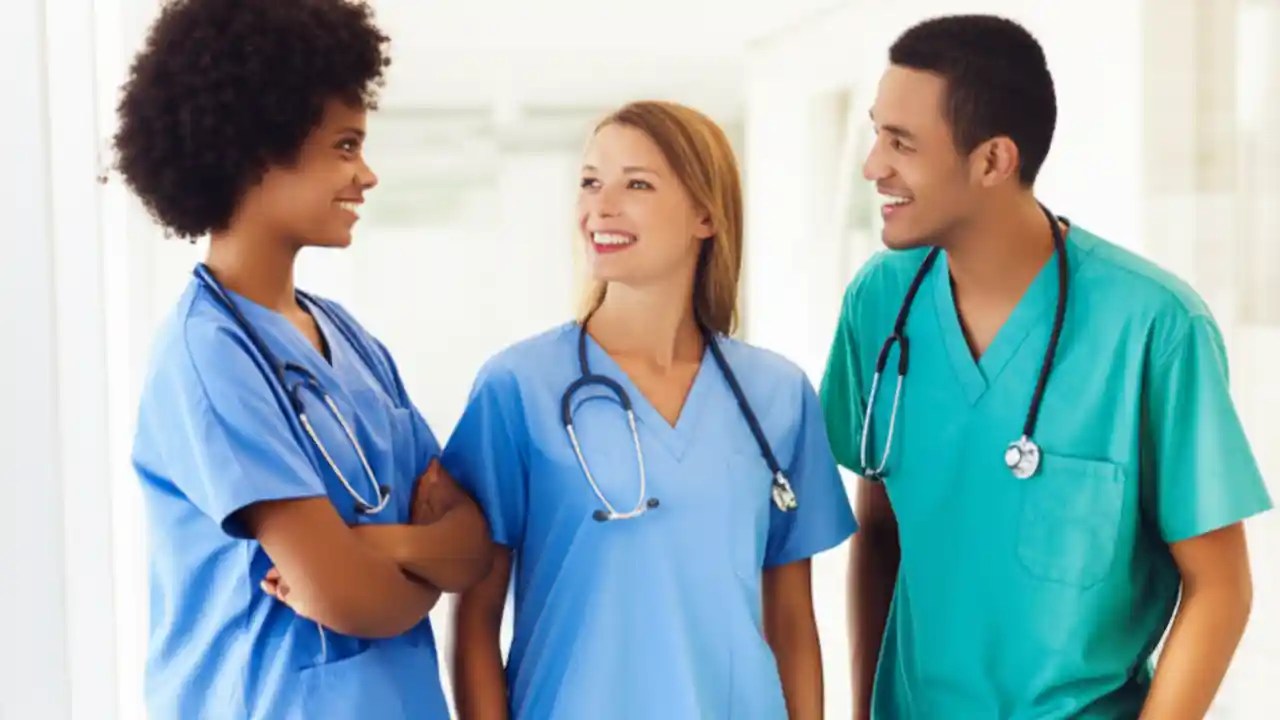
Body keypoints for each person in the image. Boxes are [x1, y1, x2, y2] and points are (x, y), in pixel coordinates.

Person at [820, 14, 1273, 719]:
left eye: (900, 142)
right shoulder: (880, 303)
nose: (873, 165)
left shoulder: (1153, 327)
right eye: (877, 132)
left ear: (994, 160)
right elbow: (881, 529)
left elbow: (1220, 587)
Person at [117, 1, 492, 717]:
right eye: (346, 147)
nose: (368, 175)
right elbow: (341, 595)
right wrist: (409, 565)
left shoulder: (349, 340)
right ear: (258, 149)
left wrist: (373, 546)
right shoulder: (209, 356)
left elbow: (470, 549)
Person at [444, 100, 856, 719]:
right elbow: (474, 622)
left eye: (636, 184)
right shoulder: (518, 387)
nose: (600, 206)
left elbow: (794, 621)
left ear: (705, 215)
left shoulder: (776, 393)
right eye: (590, 182)